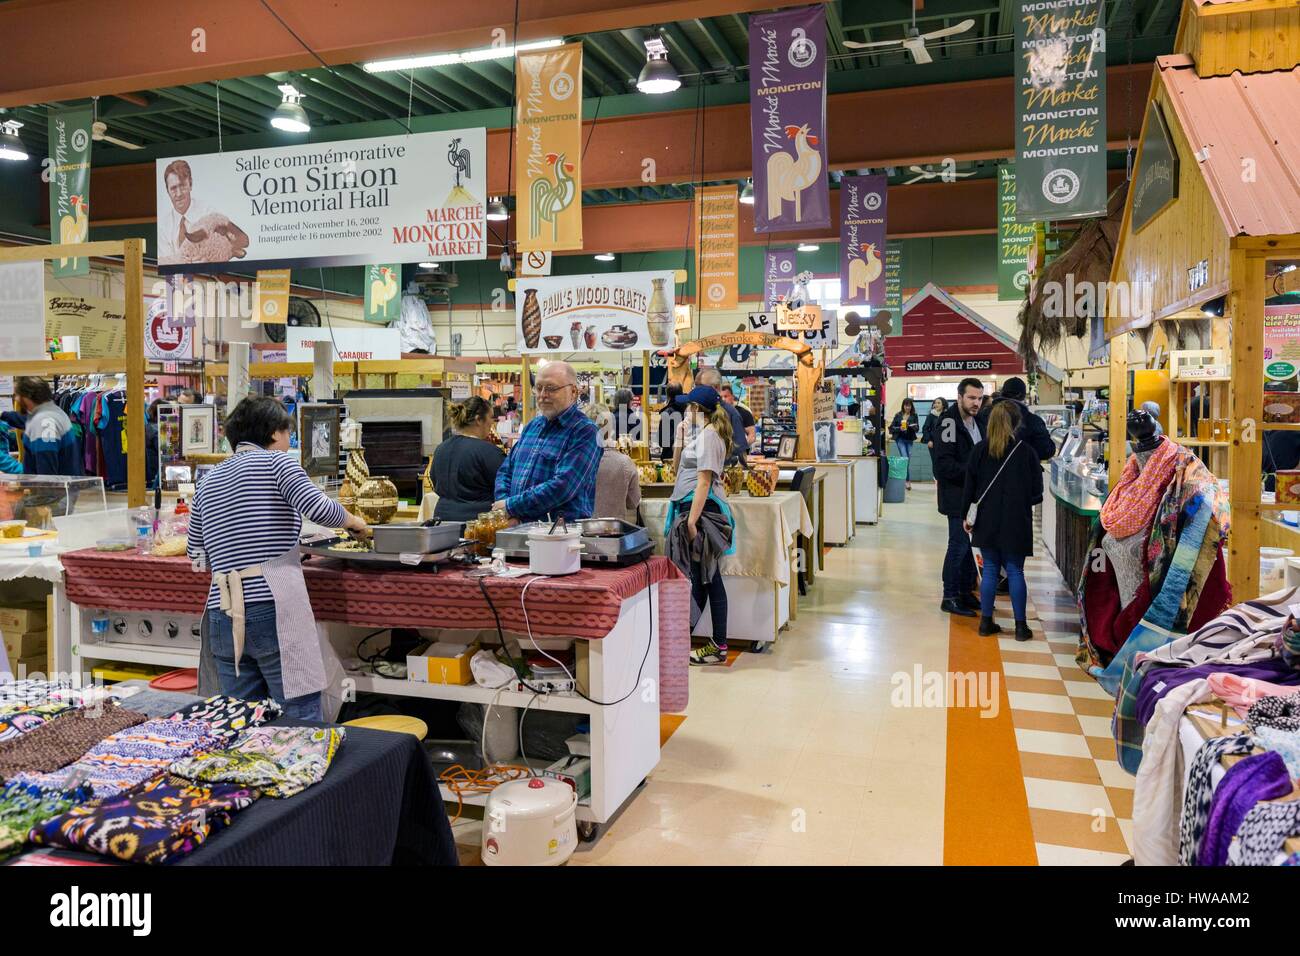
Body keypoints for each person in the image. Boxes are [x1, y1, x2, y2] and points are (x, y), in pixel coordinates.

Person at [187, 397, 370, 719]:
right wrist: (356, 523)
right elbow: (320, 509)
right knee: (297, 717)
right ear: (274, 432)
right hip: (272, 607)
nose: (288, 442)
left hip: (221, 610)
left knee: (240, 719)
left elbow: (196, 554)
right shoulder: (277, 463)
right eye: (288, 434)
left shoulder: (208, 480)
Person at [665, 385, 735, 666]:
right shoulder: (702, 434)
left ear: (698, 410)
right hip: (695, 509)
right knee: (702, 577)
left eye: (689, 406)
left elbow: (705, 481)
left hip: (701, 512)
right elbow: (678, 467)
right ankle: (687, 640)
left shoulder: (708, 437)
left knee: (709, 578)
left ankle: (716, 645)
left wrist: (692, 522)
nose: (685, 410)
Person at [962, 401, 1042, 641]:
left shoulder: (979, 450)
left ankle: (986, 623)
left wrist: (966, 516)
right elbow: (1037, 492)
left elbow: (970, 488)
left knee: (989, 571)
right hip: (1016, 520)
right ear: (1017, 423)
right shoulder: (1026, 452)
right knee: (1016, 571)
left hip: (986, 519)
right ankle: (1020, 627)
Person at [493, 361, 602, 523]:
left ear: (573, 392)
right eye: (538, 388)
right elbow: (506, 471)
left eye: (551, 388)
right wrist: (508, 512)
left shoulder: (585, 431)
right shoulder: (532, 427)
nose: (542, 395)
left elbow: (563, 486)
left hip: (558, 536)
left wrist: (511, 507)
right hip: (515, 528)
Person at [931, 377, 985, 617]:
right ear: (959, 396)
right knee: (958, 546)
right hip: (956, 497)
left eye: (980, 398)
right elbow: (943, 466)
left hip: (974, 498)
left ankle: (964, 592)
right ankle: (950, 596)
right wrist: (974, 473)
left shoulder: (977, 422)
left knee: (969, 548)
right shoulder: (949, 424)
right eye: (972, 398)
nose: (976, 403)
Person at [430, 396, 506, 522]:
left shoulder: (441, 449)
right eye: (491, 418)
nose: (492, 423)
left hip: (442, 520)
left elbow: (434, 481)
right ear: (478, 420)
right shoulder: (489, 452)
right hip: (476, 523)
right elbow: (506, 486)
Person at [158, 160, 249, 265]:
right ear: (167, 191)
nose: (178, 194)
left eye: (182, 186)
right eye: (173, 188)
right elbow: (164, 262)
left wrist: (208, 260)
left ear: (190, 185)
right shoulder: (163, 227)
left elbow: (222, 248)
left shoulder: (210, 215)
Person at [12, 378, 82, 476]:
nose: (16, 399)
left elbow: (47, 471)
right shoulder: (53, 412)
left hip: (54, 489)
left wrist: (43, 489)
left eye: (18, 395)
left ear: (27, 397)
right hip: (64, 487)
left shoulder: (44, 421)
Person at [585, 404, 641, 523]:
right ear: (611, 429)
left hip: (581, 532)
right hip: (613, 532)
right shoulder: (625, 462)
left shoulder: (575, 460)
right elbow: (633, 502)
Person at [978, 376, 1055, 461]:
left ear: (1002, 392)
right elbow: (1045, 451)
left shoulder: (983, 415)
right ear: (1022, 395)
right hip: (1023, 471)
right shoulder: (1032, 420)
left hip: (988, 471)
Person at [695, 367, 746, 463]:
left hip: (721, 473)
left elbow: (739, 449)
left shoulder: (731, 414)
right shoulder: (696, 411)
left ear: (717, 387)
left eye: (702, 388)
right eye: (696, 388)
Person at [890, 398, 920, 491]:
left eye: (909, 405)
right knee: (905, 458)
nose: (907, 407)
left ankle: (904, 480)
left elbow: (917, 428)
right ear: (903, 406)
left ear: (912, 406)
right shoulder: (898, 415)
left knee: (907, 461)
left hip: (909, 439)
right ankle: (907, 481)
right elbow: (891, 428)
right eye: (906, 405)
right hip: (900, 439)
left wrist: (912, 427)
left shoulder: (914, 415)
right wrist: (900, 428)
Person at [719, 383, 757, 451]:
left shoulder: (744, 413)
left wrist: (740, 447)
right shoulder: (716, 413)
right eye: (721, 397)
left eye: (726, 396)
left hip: (738, 453)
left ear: (732, 397)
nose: (723, 399)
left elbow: (752, 436)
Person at [656, 383, 684, 460]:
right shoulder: (690, 409)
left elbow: (662, 441)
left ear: (667, 395)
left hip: (670, 457)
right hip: (687, 456)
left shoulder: (667, 413)